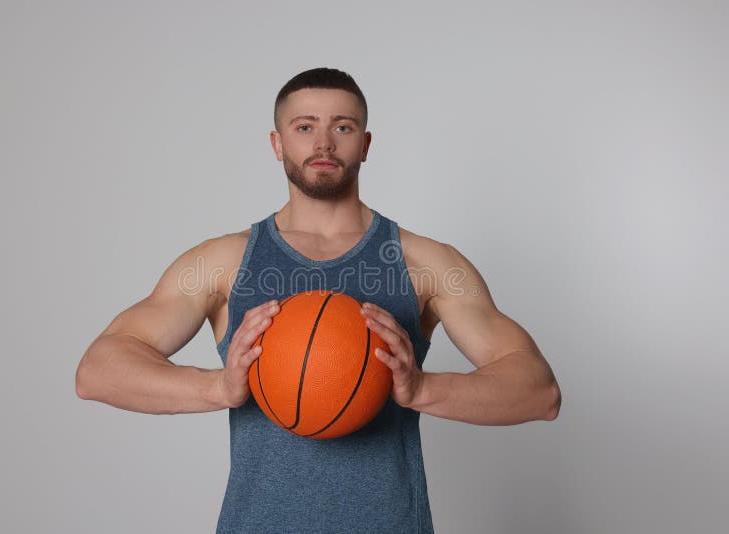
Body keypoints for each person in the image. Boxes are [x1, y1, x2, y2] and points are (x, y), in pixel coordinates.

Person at [75, 67, 561, 533]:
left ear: (365, 144)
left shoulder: (426, 263)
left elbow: (538, 391)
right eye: (304, 126)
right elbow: (99, 369)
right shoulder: (224, 262)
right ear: (277, 143)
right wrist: (218, 389)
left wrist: (421, 389)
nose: (323, 143)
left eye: (342, 126)